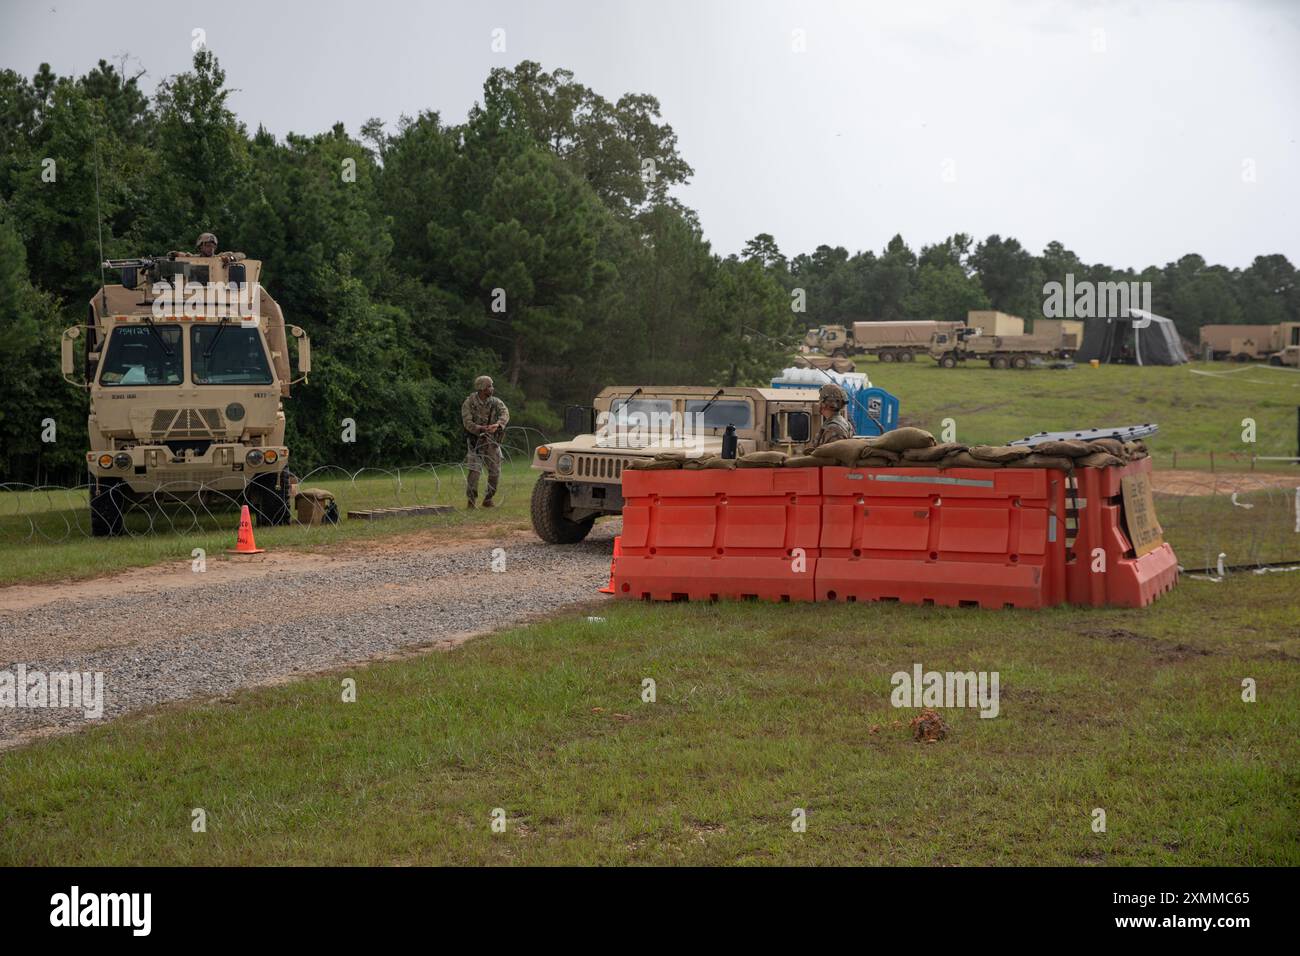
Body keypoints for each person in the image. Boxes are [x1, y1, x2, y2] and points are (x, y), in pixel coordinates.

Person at [462, 375, 510, 508]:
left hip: (492, 442)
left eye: (491, 385)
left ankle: (488, 499)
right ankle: (471, 501)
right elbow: (467, 422)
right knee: (474, 472)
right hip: (475, 442)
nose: (492, 388)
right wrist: (480, 428)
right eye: (489, 386)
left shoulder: (495, 402)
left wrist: (498, 425)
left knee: (495, 472)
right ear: (482, 388)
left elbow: (505, 413)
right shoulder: (469, 402)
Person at [805, 382, 853, 451]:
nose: (819, 403)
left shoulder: (833, 427)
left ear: (825, 404)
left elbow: (831, 457)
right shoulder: (844, 423)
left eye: (820, 400)